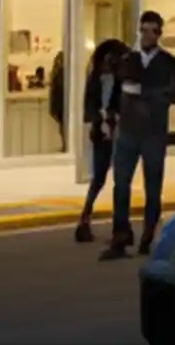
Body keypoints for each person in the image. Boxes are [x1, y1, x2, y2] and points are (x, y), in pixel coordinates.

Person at [100, 11, 175, 260]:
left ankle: (148, 235)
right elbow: (116, 92)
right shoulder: (128, 59)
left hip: (154, 133)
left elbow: (172, 96)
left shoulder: (169, 63)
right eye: (143, 29)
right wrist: (108, 118)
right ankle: (120, 235)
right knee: (120, 184)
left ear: (159, 33)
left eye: (152, 30)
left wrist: (141, 91)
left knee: (153, 187)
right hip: (127, 131)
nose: (146, 35)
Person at [75, 38, 130, 243]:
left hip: (119, 129)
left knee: (121, 178)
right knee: (99, 177)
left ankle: (120, 226)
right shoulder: (96, 78)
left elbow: (123, 102)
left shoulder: (120, 79)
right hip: (102, 131)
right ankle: (85, 218)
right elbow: (89, 104)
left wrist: (112, 116)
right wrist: (100, 119)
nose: (109, 65)